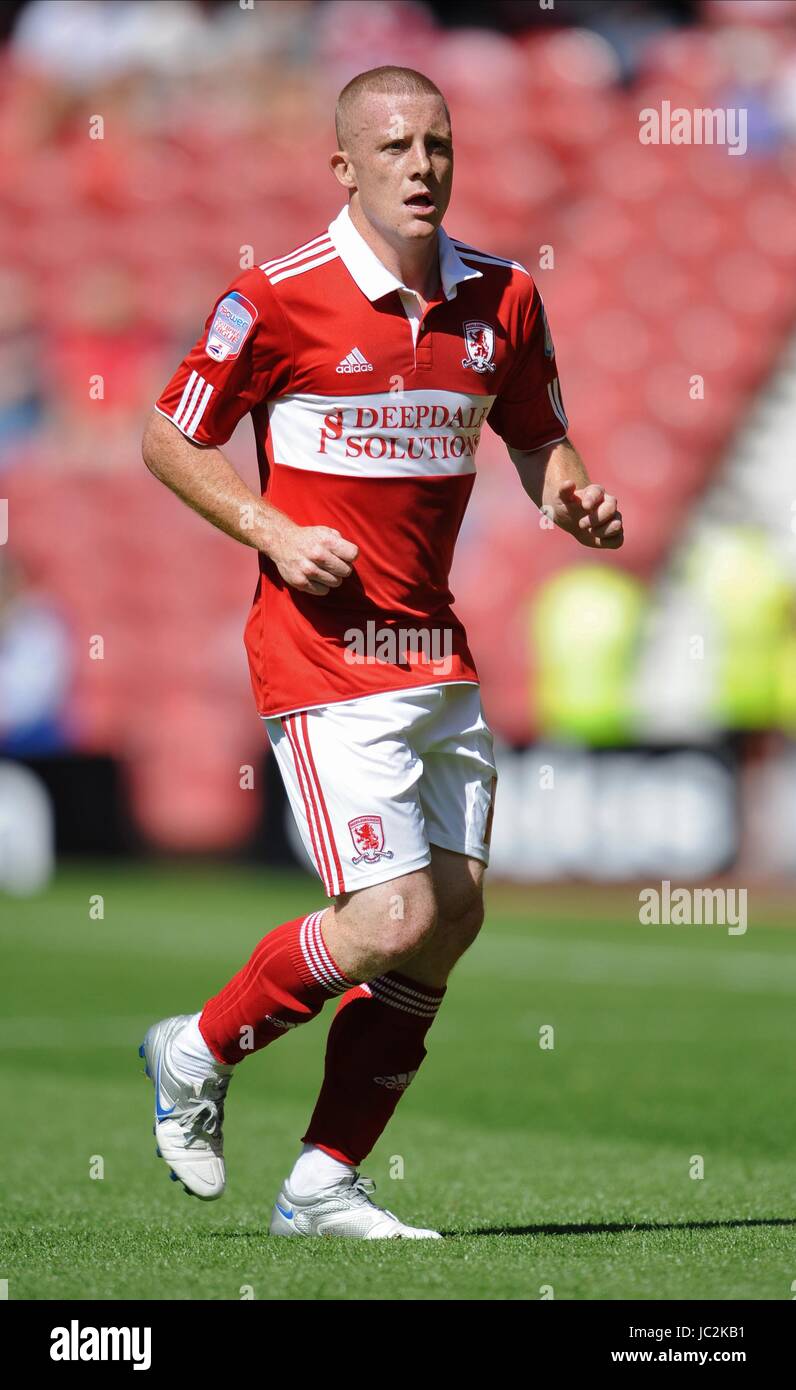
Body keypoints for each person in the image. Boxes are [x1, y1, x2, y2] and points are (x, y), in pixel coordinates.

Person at [140, 65, 623, 1240]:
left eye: (438, 145)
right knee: (391, 914)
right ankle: (194, 1047)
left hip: (432, 647)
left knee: (451, 914)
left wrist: (571, 495)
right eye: (396, 146)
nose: (422, 166)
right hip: (321, 657)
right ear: (344, 166)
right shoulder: (275, 298)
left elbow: (536, 434)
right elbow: (167, 432)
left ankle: (320, 1182)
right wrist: (266, 526)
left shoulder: (502, 296)